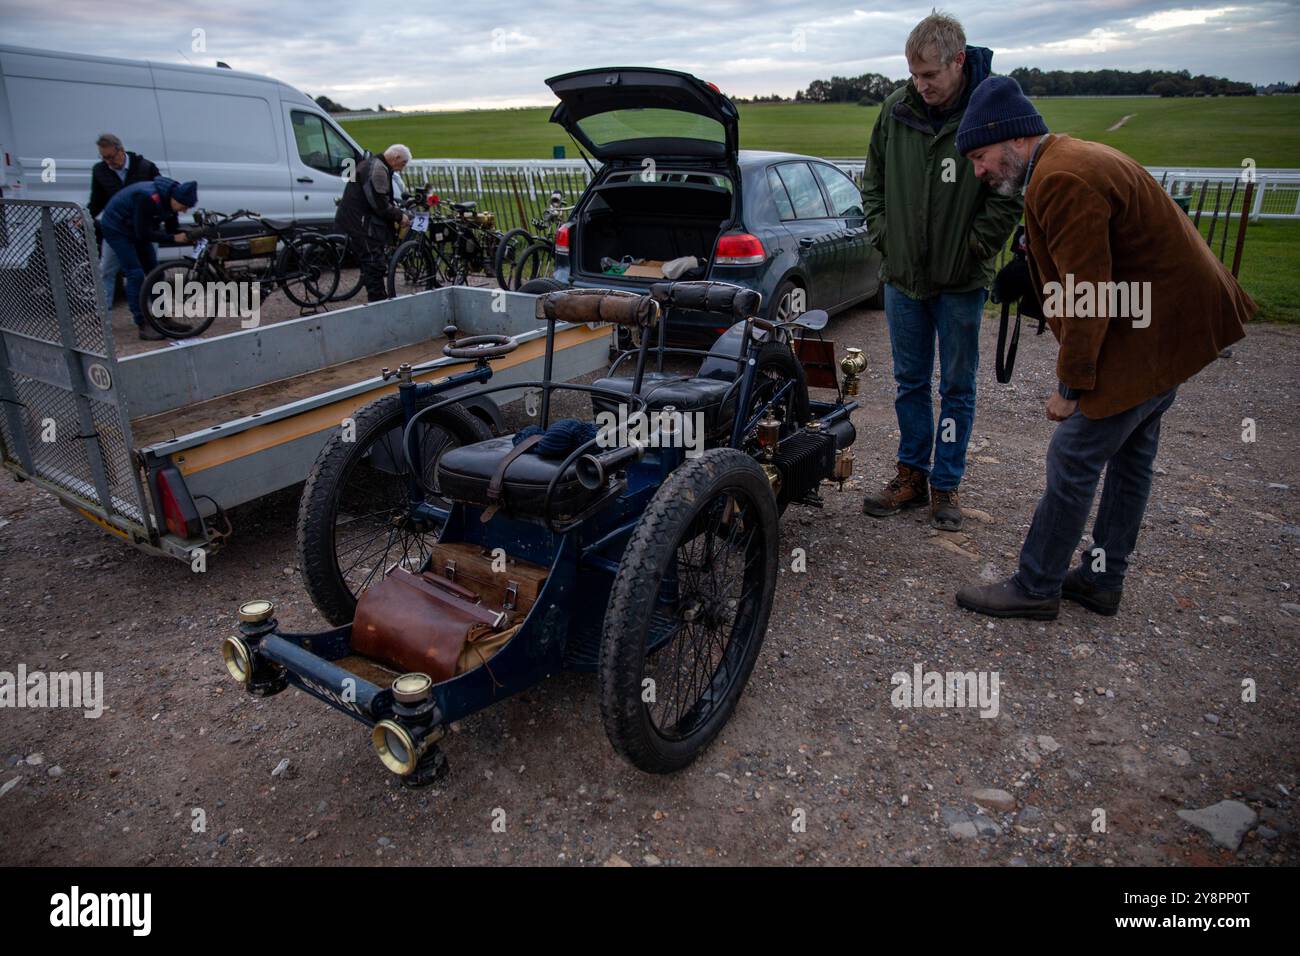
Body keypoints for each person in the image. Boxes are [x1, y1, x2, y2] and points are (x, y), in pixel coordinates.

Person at [952, 77, 1255, 620]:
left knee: (1073, 452)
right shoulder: (1067, 159)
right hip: (1169, 323)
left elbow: (1087, 293)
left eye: (980, 155)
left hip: (1153, 328)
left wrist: (1072, 387)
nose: (977, 171)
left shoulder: (1060, 178)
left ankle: (1037, 584)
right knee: (1133, 451)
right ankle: (1100, 578)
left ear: (1013, 138)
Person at [861, 12, 1023, 532]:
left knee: (956, 385)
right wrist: (886, 235)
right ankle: (910, 474)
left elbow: (1009, 187)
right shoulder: (895, 110)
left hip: (961, 281)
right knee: (909, 382)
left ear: (958, 62)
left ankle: (945, 483)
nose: (920, 84)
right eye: (913, 74)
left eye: (929, 74)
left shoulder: (989, 106)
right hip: (903, 277)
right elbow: (873, 183)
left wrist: (977, 246)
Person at [99, 176, 198, 340]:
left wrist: (188, 235)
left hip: (137, 228)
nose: (184, 210)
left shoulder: (171, 202)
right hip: (117, 228)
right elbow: (143, 233)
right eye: (184, 206)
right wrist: (174, 239)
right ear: (176, 198)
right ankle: (142, 323)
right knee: (135, 274)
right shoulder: (146, 197)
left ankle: (161, 317)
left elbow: (172, 228)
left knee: (156, 272)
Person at [87, 134, 160, 308]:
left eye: (110, 157)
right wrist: (86, 215)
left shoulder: (145, 167)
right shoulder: (100, 171)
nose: (108, 162)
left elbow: (159, 194)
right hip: (116, 229)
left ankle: (158, 311)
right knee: (107, 270)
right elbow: (97, 199)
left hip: (142, 229)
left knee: (151, 271)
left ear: (121, 150)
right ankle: (103, 314)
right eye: (104, 158)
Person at [334, 144, 411, 302]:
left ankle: (378, 298)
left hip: (355, 217)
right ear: (395, 158)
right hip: (360, 222)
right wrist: (399, 216)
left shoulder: (374, 164)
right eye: (403, 164)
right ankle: (377, 301)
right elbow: (379, 203)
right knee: (374, 262)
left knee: (373, 261)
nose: (401, 169)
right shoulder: (377, 169)